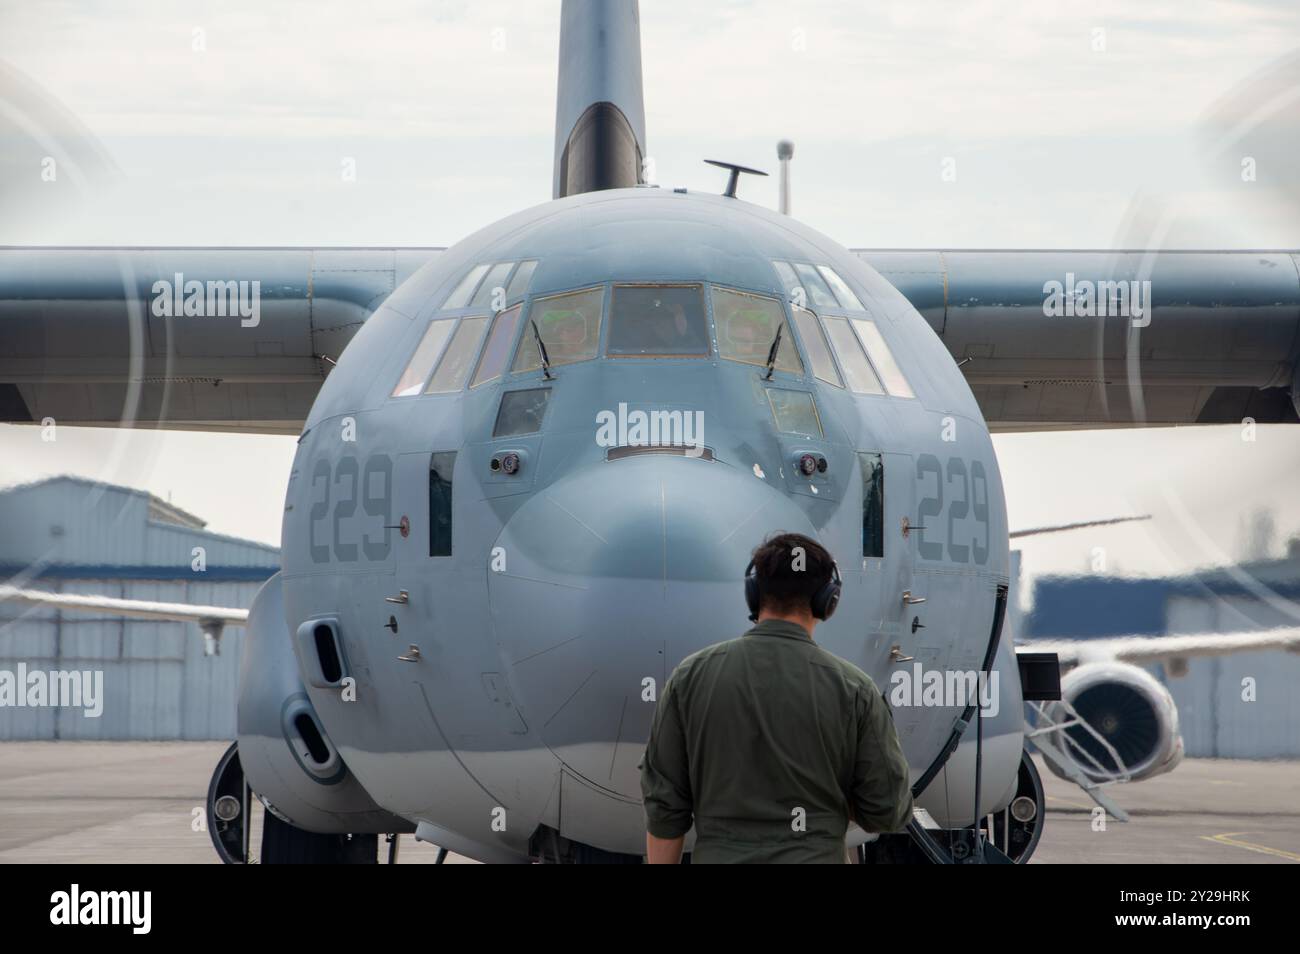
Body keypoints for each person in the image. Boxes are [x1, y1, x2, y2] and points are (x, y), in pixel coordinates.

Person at [639, 532, 914, 863]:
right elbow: (887, 809)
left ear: (754, 594)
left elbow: (665, 811)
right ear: (828, 601)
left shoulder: (690, 678)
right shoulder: (855, 690)